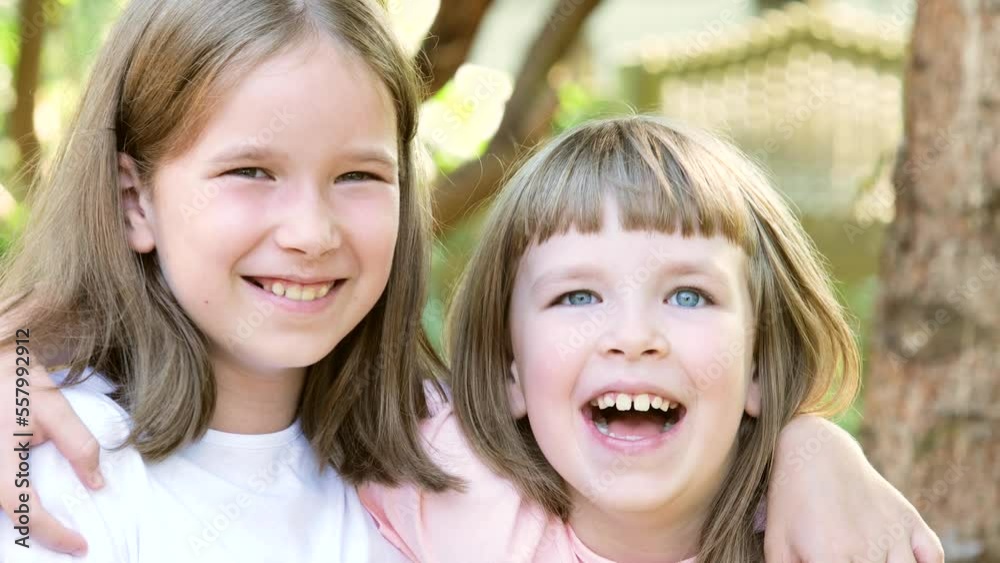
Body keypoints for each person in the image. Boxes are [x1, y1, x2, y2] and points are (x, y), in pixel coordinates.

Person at [360, 116, 944, 562]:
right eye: (577, 296)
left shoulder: (818, 533)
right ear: (509, 370)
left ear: (759, 369)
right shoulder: (443, 473)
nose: (633, 338)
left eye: (689, 296)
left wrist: (812, 446)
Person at [0, 0, 450, 560]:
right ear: (135, 201)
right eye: (251, 172)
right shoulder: (56, 457)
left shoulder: (445, 463)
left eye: (358, 175)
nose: (312, 234)